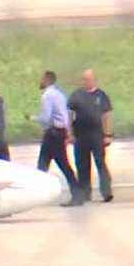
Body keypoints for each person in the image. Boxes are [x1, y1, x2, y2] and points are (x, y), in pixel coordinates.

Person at [30, 70, 82, 206]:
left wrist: (32, 118)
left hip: (52, 134)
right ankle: (76, 193)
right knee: (49, 164)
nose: (40, 81)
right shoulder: (60, 95)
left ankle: (35, 195)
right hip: (59, 132)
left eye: (42, 79)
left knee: (50, 164)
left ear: (47, 80)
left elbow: (46, 118)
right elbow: (64, 116)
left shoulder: (47, 96)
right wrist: (67, 132)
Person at [67, 68, 114, 203]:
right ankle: (85, 192)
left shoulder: (101, 95)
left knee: (100, 163)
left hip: (97, 135)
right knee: (82, 165)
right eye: (84, 79)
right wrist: (70, 133)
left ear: (94, 80)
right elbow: (70, 115)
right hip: (81, 136)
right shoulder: (76, 95)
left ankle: (106, 192)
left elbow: (106, 116)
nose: (85, 82)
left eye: (88, 79)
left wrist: (107, 134)